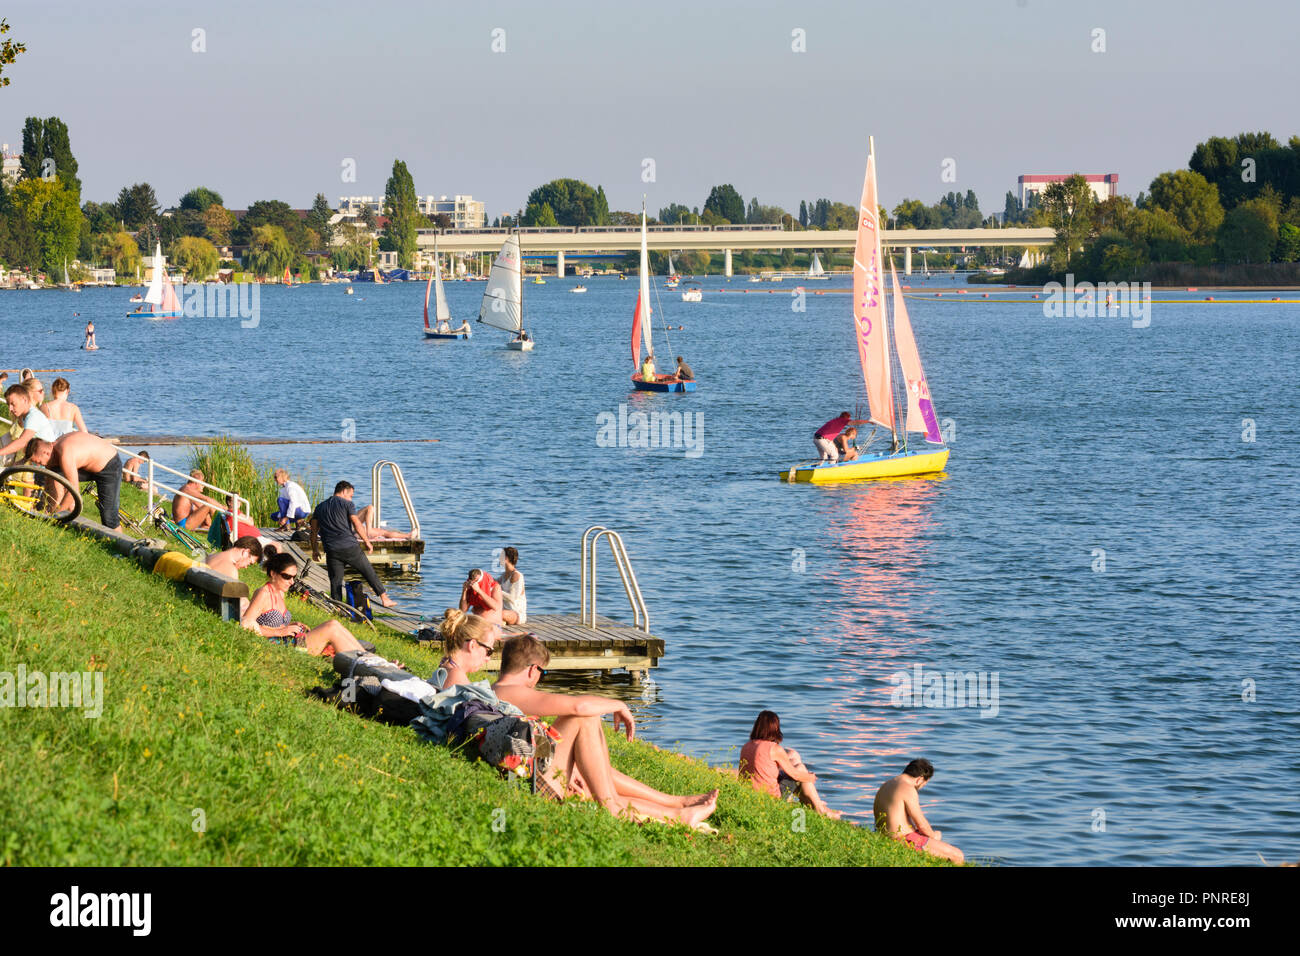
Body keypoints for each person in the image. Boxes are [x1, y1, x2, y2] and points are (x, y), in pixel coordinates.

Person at [493, 635, 719, 828]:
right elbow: (578, 706)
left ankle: (677, 809)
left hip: (528, 770)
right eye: (543, 673)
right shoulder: (511, 692)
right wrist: (619, 704)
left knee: (597, 774)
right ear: (533, 670)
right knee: (585, 717)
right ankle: (620, 809)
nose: (540, 679)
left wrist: (573, 774)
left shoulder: (499, 690)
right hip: (531, 783)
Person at [241, 552, 366, 656]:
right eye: (287, 577)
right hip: (281, 647)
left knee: (335, 625)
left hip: (292, 640)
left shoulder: (279, 592)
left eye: (293, 577)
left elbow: (269, 623)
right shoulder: (264, 593)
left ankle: (365, 656)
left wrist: (291, 625)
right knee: (331, 627)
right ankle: (364, 661)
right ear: (273, 573)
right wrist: (280, 632)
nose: (291, 582)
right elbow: (246, 625)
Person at [310, 480, 396, 607]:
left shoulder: (320, 507)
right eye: (351, 495)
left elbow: (313, 531)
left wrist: (315, 550)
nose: (351, 499)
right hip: (349, 546)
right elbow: (357, 523)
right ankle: (384, 598)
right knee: (368, 571)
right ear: (344, 491)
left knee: (336, 581)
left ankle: (338, 607)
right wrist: (367, 541)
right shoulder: (347, 504)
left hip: (331, 549)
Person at [739, 710, 841, 819]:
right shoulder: (774, 748)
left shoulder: (746, 746)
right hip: (770, 798)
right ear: (775, 728)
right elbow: (795, 775)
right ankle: (820, 810)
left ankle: (815, 804)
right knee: (801, 769)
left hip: (751, 795)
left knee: (793, 756)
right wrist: (811, 777)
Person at [872, 758, 964, 864]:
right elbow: (922, 826)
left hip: (884, 836)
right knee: (957, 855)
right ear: (919, 779)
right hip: (902, 840)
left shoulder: (887, 784)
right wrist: (934, 836)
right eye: (923, 785)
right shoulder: (907, 788)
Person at [23, 433, 123, 529]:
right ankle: (56, 511)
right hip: (90, 464)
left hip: (109, 466)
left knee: (109, 518)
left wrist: (56, 516)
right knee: (53, 473)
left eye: (40, 462)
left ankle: (121, 542)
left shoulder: (65, 454)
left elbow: (74, 491)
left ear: (46, 453)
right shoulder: (55, 449)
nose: (42, 466)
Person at [435, 608, 499, 689]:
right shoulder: (457, 679)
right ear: (472, 645)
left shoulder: (445, 665)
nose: (488, 659)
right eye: (489, 651)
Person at [0, 382, 59, 459]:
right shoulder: (26, 416)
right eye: (8, 405)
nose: (10, 408)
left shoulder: (33, 416)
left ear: (24, 400)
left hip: (49, 460)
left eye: (13, 404)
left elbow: (22, 442)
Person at [496, 546, 526, 625]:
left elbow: (512, 598)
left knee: (501, 614)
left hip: (516, 613)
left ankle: (501, 620)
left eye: (500, 556)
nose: (499, 559)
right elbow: (493, 584)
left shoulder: (517, 575)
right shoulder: (503, 575)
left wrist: (497, 590)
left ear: (506, 558)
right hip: (504, 610)